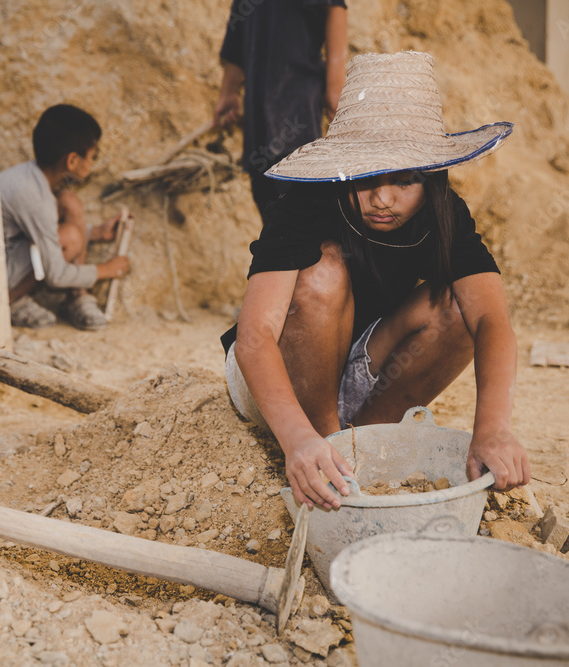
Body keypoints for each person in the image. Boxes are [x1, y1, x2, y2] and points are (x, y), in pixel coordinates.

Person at [222, 51, 531, 510]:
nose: (383, 199)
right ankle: (328, 446)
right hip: (273, 373)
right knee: (325, 272)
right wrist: (297, 440)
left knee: (457, 306)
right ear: (341, 169)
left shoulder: (444, 214)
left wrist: (493, 427)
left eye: (404, 180)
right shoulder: (304, 205)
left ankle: (362, 443)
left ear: (430, 178)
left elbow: (492, 320)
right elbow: (254, 336)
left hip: (360, 365)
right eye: (365, 177)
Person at [0, 104, 130, 331]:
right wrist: (107, 269)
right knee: (70, 237)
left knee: (69, 201)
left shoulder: (30, 178)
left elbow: (43, 231)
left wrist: (96, 233)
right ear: (71, 161)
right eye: (91, 156)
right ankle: (7, 301)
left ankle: (78, 297)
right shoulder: (34, 197)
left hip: (5, 257)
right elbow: (56, 275)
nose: (91, 163)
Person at [213, 0, 349, 217]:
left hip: (297, 102)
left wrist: (335, 82)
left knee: (301, 193)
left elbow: (334, 7)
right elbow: (238, 34)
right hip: (258, 109)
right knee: (265, 191)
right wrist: (228, 93)